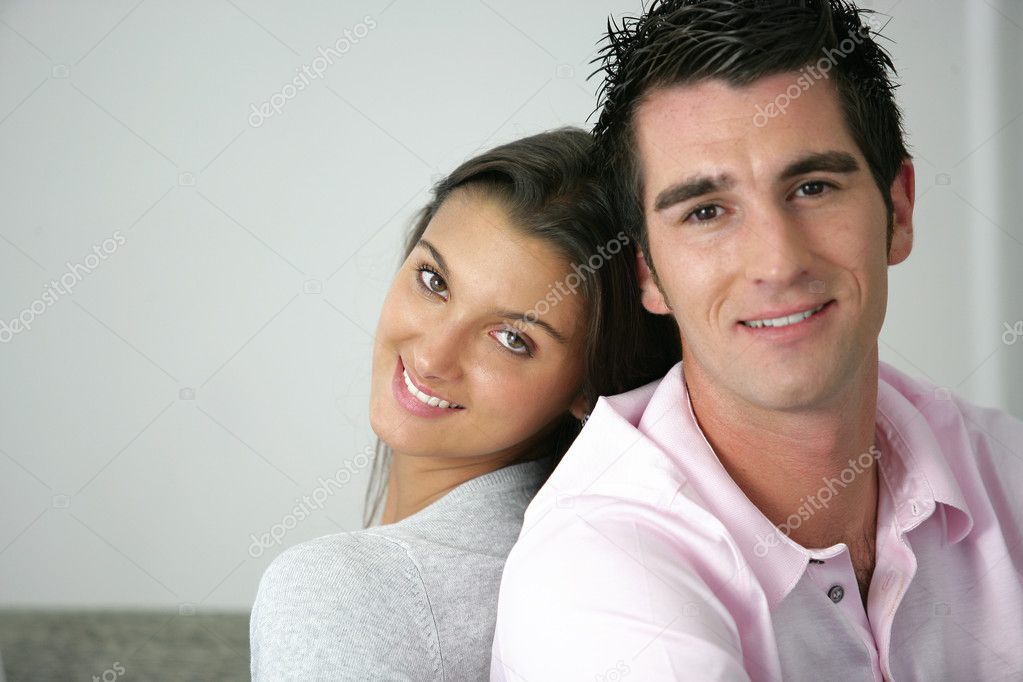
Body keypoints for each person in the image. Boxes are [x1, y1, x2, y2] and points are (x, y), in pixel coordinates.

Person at [492, 2, 1023, 681]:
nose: (777, 262)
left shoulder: (1003, 467)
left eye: (811, 186)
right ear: (648, 274)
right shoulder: (595, 571)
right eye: (706, 211)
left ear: (896, 211)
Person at [248, 127, 679, 681]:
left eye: (511, 338)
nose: (431, 357)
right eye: (434, 281)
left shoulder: (335, 592)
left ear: (589, 389)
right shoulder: (583, 568)